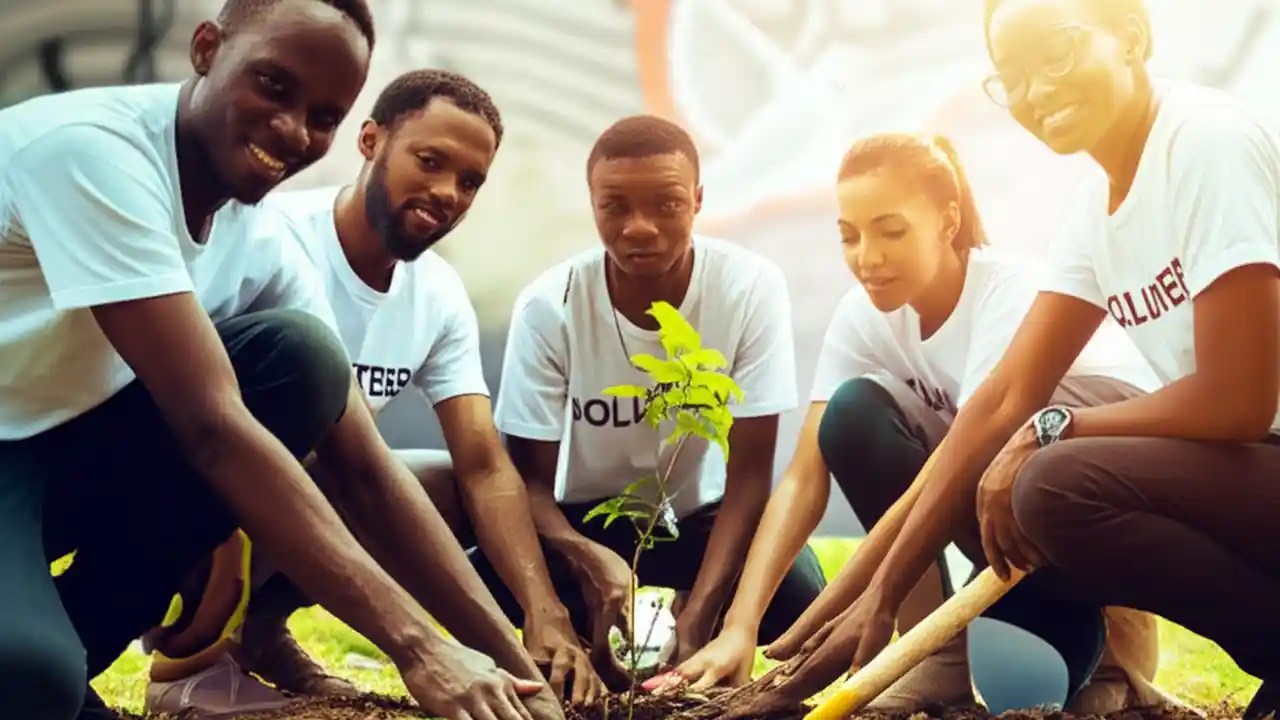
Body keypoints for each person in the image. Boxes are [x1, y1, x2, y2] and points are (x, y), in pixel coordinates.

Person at [0, 3, 563, 720]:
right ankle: (43, 676)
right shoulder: (93, 154)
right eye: (272, 85)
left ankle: (64, 662)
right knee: (24, 676)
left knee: (300, 362)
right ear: (207, 49)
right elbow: (212, 428)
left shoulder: (256, 233)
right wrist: (418, 646)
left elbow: (366, 467)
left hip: (56, 443)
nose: (295, 130)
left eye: (322, 115)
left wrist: (517, 673)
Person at [722, 1, 1280, 719]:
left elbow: (1239, 400)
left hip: (1259, 454)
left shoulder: (1203, 143)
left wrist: (1056, 427)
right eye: (1010, 77)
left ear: (1134, 36)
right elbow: (1001, 400)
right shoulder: (1096, 203)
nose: (1036, 92)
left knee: (1053, 481)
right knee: (1028, 470)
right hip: (1247, 471)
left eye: (1057, 54)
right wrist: (875, 601)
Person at [143, 69, 603, 717]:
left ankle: (260, 632)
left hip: (308, 498)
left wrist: (540, 615)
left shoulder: (437, 294)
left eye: (470, 181)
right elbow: (194, 418)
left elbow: (483, 463)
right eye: (429, 161)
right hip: (191, 500)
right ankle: (189, 659)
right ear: (369, 140)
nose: (447, 192)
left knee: (451, 484)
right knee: (321, 456)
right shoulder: (274, 236)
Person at [668, 131, 1169, 714]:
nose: (867, 257)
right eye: (849, 236)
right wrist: (741, 625)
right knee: (853, 416)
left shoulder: (1010, 294)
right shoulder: (864, 315)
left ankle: (1119, 661)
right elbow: (806, 478)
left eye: (891, 230)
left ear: (948, 220)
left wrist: (870, 602)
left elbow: (958, 461)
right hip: (1006, 528)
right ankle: (941, 657)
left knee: (1027, 684)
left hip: (1096, 524)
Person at [487, 114, 827, 676]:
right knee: (486, 581)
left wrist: (702, 618)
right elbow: (527, 486)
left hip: (697, 517)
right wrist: (583, 559)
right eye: (615, 206)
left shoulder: (748, 288)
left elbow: (747, 475)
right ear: (592, 204)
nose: (639, 227)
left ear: (697, 201)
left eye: (666, 205)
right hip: (582, 520)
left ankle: (684, 612)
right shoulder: (550, 306)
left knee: (795, 600)